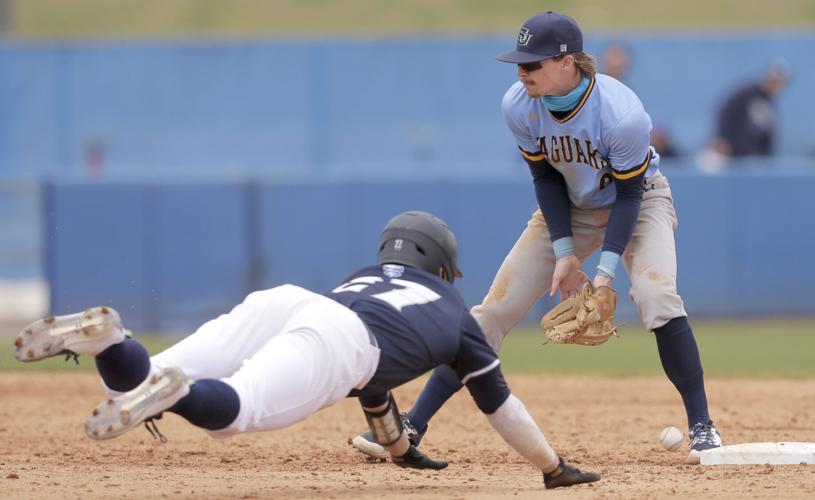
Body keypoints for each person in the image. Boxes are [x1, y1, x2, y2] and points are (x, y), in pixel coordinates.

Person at [353, 11, 722, 465]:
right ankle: (413, 423)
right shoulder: (518, 105)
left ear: (567, 63)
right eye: (519, 63)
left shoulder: (621, 115)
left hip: (640, 202)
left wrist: (604, 274)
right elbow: (545, 178)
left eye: (532, 64)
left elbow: (628, 196)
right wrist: (565, 253)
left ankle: (703, 424)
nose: (521, 72)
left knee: (657, 295)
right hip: (569, 207)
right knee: (491, 312)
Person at [14, 210, 600, 489]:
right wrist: (552, 467)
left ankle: (112, 341)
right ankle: (180, 394)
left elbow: (375, 395)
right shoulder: (456, 316)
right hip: (340, 338)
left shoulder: (365, 277)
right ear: (444, 267)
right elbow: (501, 407)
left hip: (291, 302)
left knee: (132, 379)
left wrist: (401, 451)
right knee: (235, 410)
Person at [711, 61, 789, 158]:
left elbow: (767, 133)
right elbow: (724, 113)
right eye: (773, 81)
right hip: (731, 153)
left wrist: (766, 155)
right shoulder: (746, 94)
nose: (775, 85)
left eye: (779, 83)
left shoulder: (769, 104)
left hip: (751, 156)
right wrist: (723, 138)